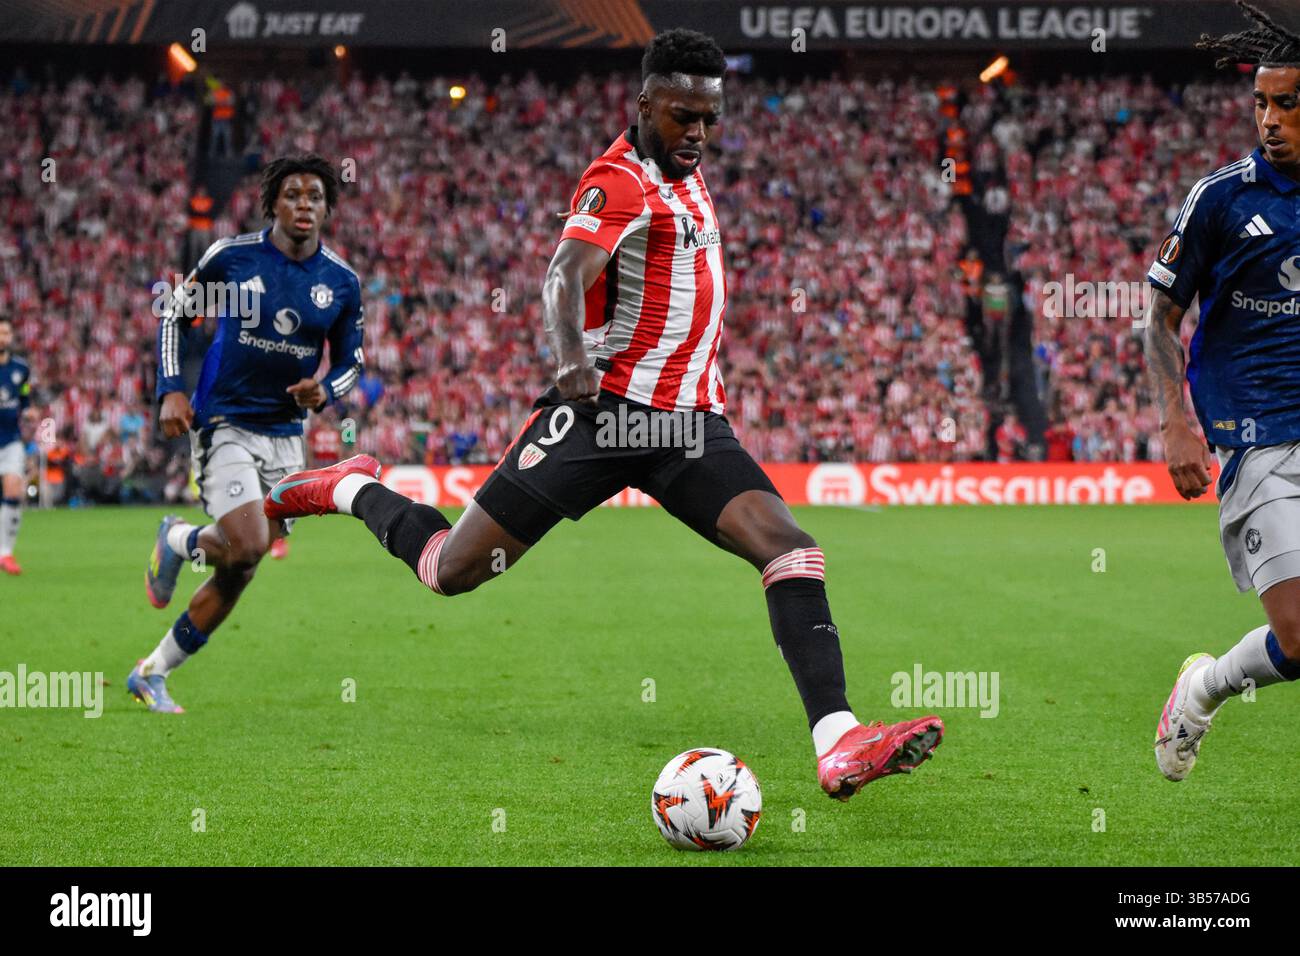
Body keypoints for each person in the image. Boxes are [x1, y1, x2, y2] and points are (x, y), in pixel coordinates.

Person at [265, 30, 943, 800]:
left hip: (685, 425)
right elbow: (562, 277)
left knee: (791, 551)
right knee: (451, 570)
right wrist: (569, 361)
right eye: (684, 117)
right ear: (646, 104)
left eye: (710, 119)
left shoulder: (687, 173)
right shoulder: (618, 179)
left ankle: (838, 742)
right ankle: (348, 487)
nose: (698, 134)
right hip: (602, 418)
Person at [128, 154, 366, 713]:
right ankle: (182, 541)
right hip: (224, 422)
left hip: (286, 433)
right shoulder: (233, 259)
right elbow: (174, 316)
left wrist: (325, 391)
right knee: (250, 541)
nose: (304, 204)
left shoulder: (341, 282)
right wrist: (169, 389)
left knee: (246, 561)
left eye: (315, 196)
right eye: (293, 195)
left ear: (328, 208)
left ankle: (152, 668)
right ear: (273, 204)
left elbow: (353, 361)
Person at [1146, 1, 1300, 780]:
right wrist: (1175, 424)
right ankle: (1202, 688)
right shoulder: (1222, 199)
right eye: (1261, 103)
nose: (1269, 120)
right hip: (1259, 436)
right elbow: (1160, 316)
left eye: (1288, 103)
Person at [0, 317, 34, 574]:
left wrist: (30, 411)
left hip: (11, 440)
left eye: (6, 332)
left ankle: (5, 553)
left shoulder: (21, 368)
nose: (3, 337)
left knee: (14, 491)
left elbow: (24, 396)